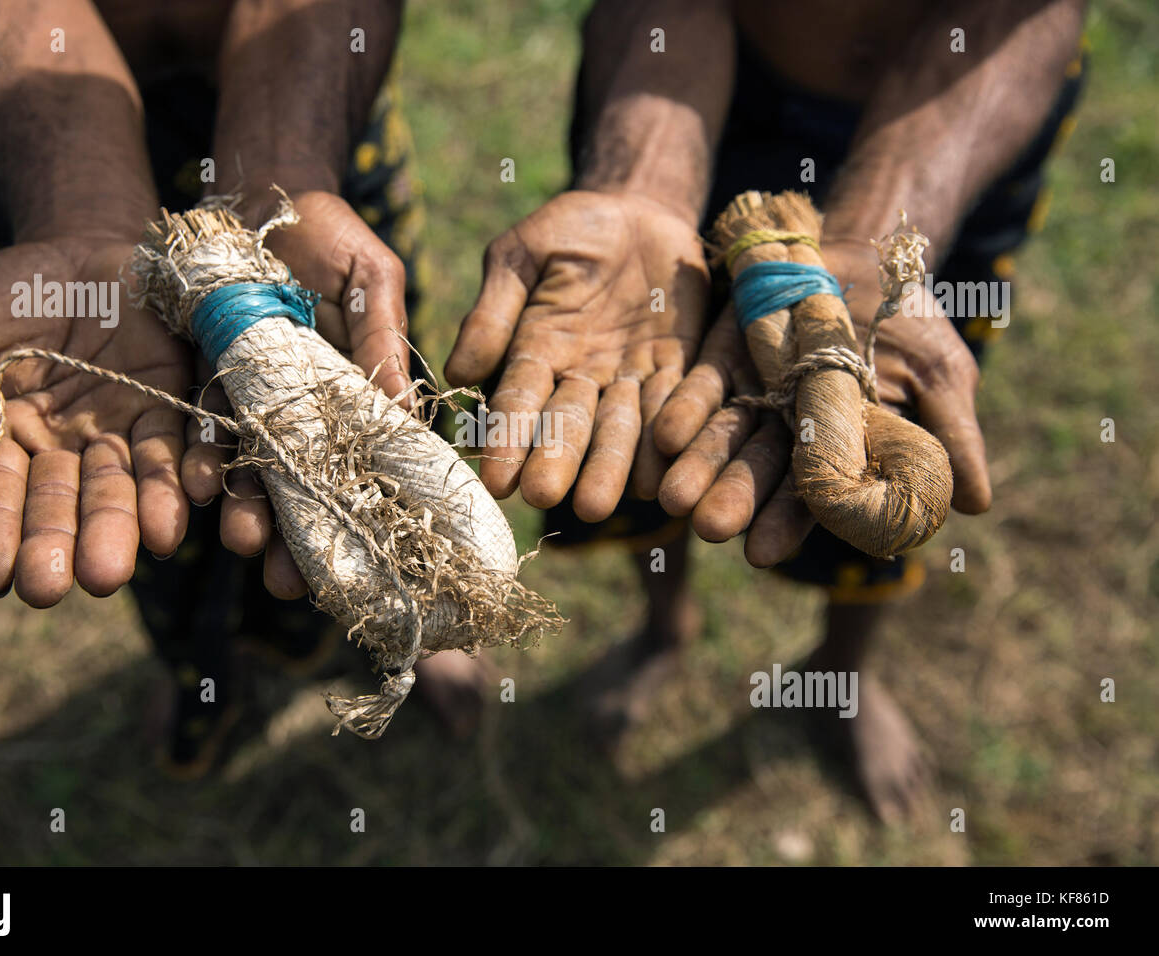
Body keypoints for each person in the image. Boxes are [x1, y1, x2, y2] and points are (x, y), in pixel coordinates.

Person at [445, 0, 1086, 821]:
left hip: (969, 110)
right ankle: (663, 626)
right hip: (688, 81)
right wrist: (644, 182)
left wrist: (879, 235)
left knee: (896, 429)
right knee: (646, 418)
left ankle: (840, 674)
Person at [0, 0, 481, 774]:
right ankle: (201, 669)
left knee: (377, 402)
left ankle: (419, 625)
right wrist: (80, 212)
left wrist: (282, 173)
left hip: (305, 119)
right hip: (49, 126)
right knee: (158, 481)